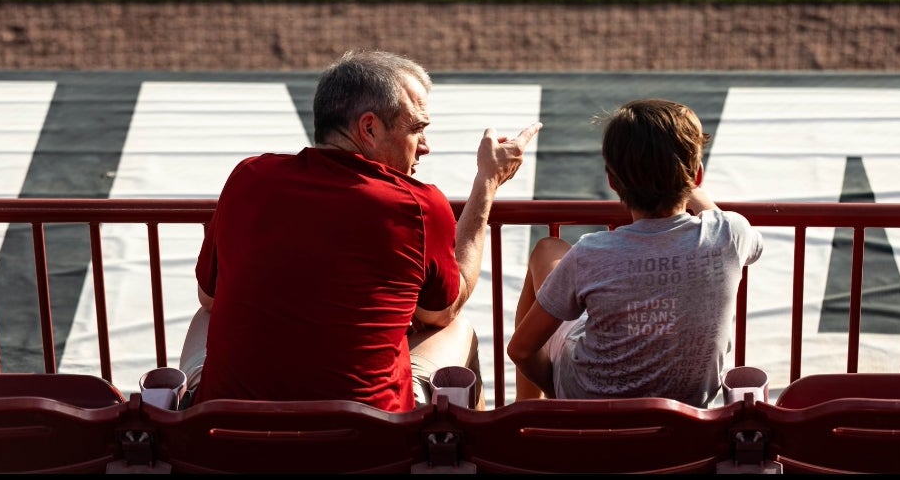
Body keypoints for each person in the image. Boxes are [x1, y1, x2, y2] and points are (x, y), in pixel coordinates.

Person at [178, 49, 540, 409]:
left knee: (203, 317)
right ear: (369, 128)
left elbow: (210, 298)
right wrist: (487, 184)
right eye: (416, 129)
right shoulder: (417, 204)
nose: (425, 147)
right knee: (458, 330)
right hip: (370, 442)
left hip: (229, 437)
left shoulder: (248, 178)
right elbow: (444, 310)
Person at [507, 97, 762, 405]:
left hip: (590, 405)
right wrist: (690, 185)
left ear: (612, 181)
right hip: (684, 415)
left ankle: (527, 410)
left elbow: (520, 350)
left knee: (547, 249)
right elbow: (729, 225)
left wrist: (563, 394)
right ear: (697, 177)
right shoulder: (728, 234)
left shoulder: (589, 254)